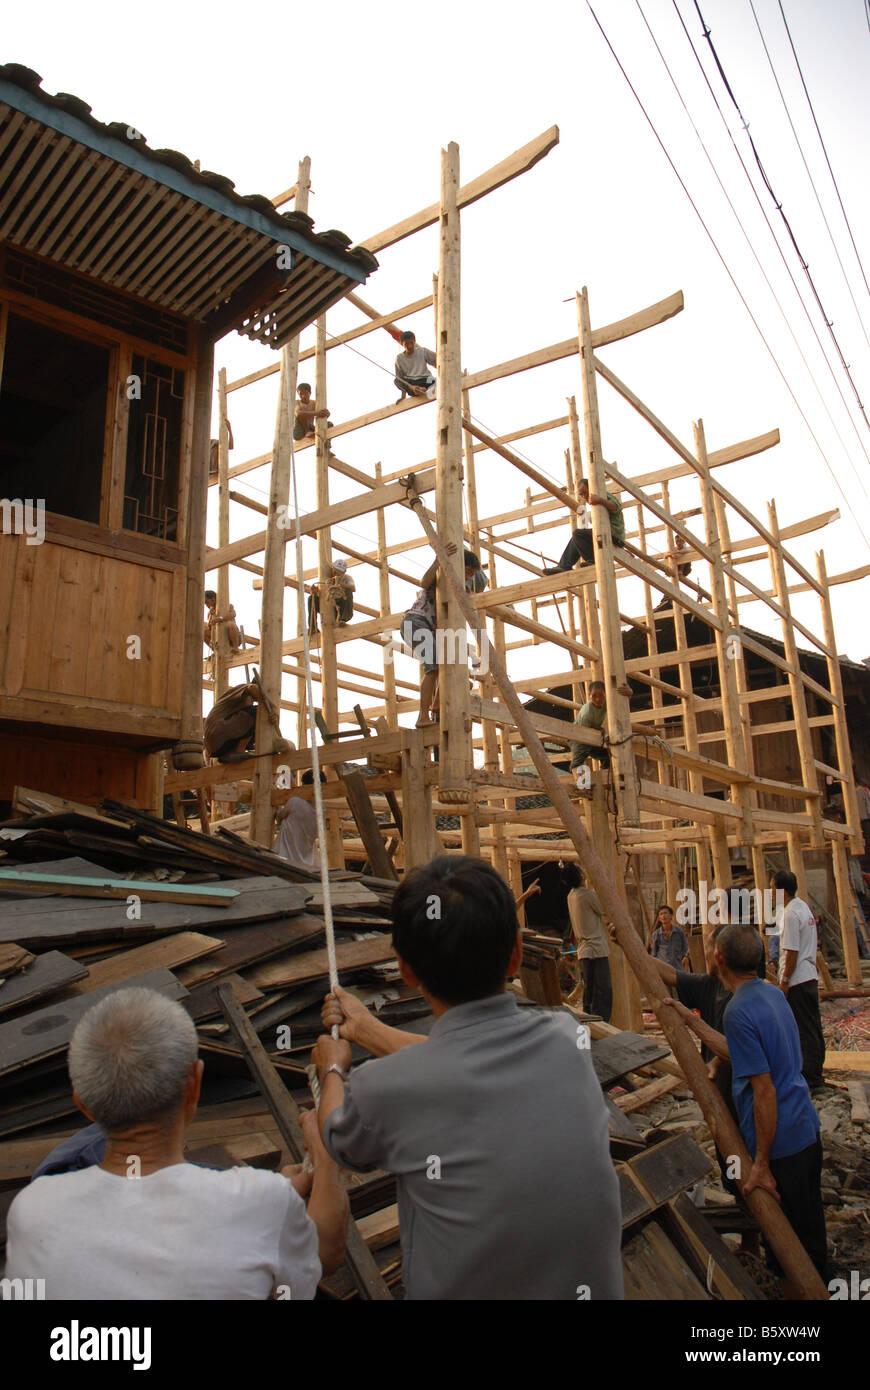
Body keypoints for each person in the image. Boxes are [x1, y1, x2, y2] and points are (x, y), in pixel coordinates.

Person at [312, 854, 623, 1301]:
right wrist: (366, 1030)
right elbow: (464, 1065)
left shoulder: (383, 1088)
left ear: (405, 971)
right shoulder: (566, 1040)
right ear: (516, 952)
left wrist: (333, 1068)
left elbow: (334, 1132)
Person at [4, 988, 347, 1299]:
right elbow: (325, 1252)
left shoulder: (33, 1209)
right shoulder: (261, 1201)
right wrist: (324, 1147)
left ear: (84, 1105)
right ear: (194, 1085)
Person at [668, 925, 826, 1286]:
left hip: (781, 1145)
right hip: (805, 1129)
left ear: (718, 958)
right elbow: (740, 1052)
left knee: (790, 1257)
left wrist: (762, 1164)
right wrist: (691, 1020)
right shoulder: (772, 995)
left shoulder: (738, 1011)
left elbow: (764, 1091)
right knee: (811, 1236)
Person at [401, 544, 487, 728]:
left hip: (425, 627)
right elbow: (424, 582)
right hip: (415, 622)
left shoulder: (454, 585)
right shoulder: (441, 575)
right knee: (432, 668)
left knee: (446, 663)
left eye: (472, 575)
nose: (469, 576)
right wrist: (439, 559)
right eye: (468, 571)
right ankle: (423, 716)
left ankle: (436, 704)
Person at [772, 869, 826, 1092]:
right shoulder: (802, 907)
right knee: (812, 1027)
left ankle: (811, 1078)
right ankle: (815, 1072)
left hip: (798, 979)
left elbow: (791, 952)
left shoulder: (790, 915)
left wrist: (784, 981)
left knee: (802, 1030)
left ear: (781, 891)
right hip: (809, 975)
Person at [562, 863, 612, 1021]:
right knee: (603, 992)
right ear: (581, 876)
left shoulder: (571, 896)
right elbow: (606, 909)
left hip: (584, 950)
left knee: (589, 991)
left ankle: (590, 1023)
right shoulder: (587, 895)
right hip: (596, 949)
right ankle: (603, 1024)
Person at [543, 479, 625, 574]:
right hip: (606, 533)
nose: (584, 496)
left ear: (591, 488)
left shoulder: (604, 495)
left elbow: (616, 507)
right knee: (576, 537)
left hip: (614, 535)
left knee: (578, 534)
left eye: (585, 493)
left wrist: (600, 500)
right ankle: (564, 565)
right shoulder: (596, 502)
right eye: (581, 495)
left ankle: (592, 559)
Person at [569, 680, 630, 777]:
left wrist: (629, 693)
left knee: (607, 754)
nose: (598, 699)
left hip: (593, 734)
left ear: (605, 695)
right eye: (594, 696)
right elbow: (584, 735)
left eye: (601, 695)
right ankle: (579, 780)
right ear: (589, 695)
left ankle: (605, 775)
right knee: (581, 753)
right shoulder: (587, 713)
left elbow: (621, 700)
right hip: (579, 735)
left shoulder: (606, 703)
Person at [274, 769, 320, 870]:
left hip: (285, 858)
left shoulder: (295, 802)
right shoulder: (321, 809)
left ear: (304, 785)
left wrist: (277, 805)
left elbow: (279, 817)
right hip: (308, 862)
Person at [204, 682, 261, 762]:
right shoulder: (244, 689)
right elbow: (252, 687)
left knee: (257, 727)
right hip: (217, 736)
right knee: (259, 712)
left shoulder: (241, 703)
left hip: (218, 745)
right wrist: (270, 705)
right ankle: (238, 751)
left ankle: (229, 754)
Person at [307, 558, 355, 632]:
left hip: (340, 608)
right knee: (311, 598)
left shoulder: (347, 578)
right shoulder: (326, 578)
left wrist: (340, 584)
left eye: (339, 572)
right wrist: (314, 592)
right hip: (328, 606)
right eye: (335, 571)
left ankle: (342, 619)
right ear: (332, 568)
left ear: (344, 572)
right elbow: (321, 594)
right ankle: (312, 627)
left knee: (348, 592)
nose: (336, 574)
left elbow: (353, 588)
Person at [394, 331, 436, 401]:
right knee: (397, 381)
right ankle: (417, 390)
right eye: (406, 344)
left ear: (414, 341)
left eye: (411, 343)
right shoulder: (399, 358)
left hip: (425, 380)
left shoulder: (422, 351)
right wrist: (403, 397)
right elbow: (400, 378)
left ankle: (423, 389)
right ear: (402, 344)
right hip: (412, 383)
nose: (409, 346)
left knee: (434, 380)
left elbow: (438, 359)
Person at [649, 904, 690, 970]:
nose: (663, 916)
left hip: (678, 969)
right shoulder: (656, 934)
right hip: (663, 970)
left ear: (671, 916)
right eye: (661, 914)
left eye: (665, 913)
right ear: (659, 919)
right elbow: (654, 954)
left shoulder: (679, 932)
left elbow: (685, 949)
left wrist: (685, 957)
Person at [204, 589, 242, 655]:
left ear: (213, 599)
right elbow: (210, 628)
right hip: (219, 638)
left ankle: (235, 648)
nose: (206, 605)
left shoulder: (228, 606)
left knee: (230, 624)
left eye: (207, 602)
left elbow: (233, 614)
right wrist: (212, 617)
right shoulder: (210, 613)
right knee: (204, 633)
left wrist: (220, 619)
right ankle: (216, 651)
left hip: (232, 637)